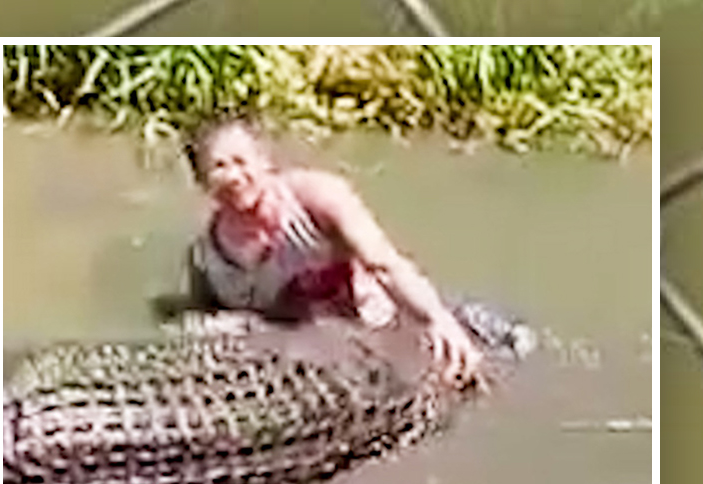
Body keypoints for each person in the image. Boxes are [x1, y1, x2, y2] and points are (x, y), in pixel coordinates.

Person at [180, 116, 484, 385]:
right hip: (293, 358)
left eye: (240, 161)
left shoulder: (318, 199)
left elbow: (384, 264)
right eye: (218, 167)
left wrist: (436, 319)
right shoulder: (207, 256)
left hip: (375, 331)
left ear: (265, 161)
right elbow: (202, 316)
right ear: (202, 180)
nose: (233, 177)